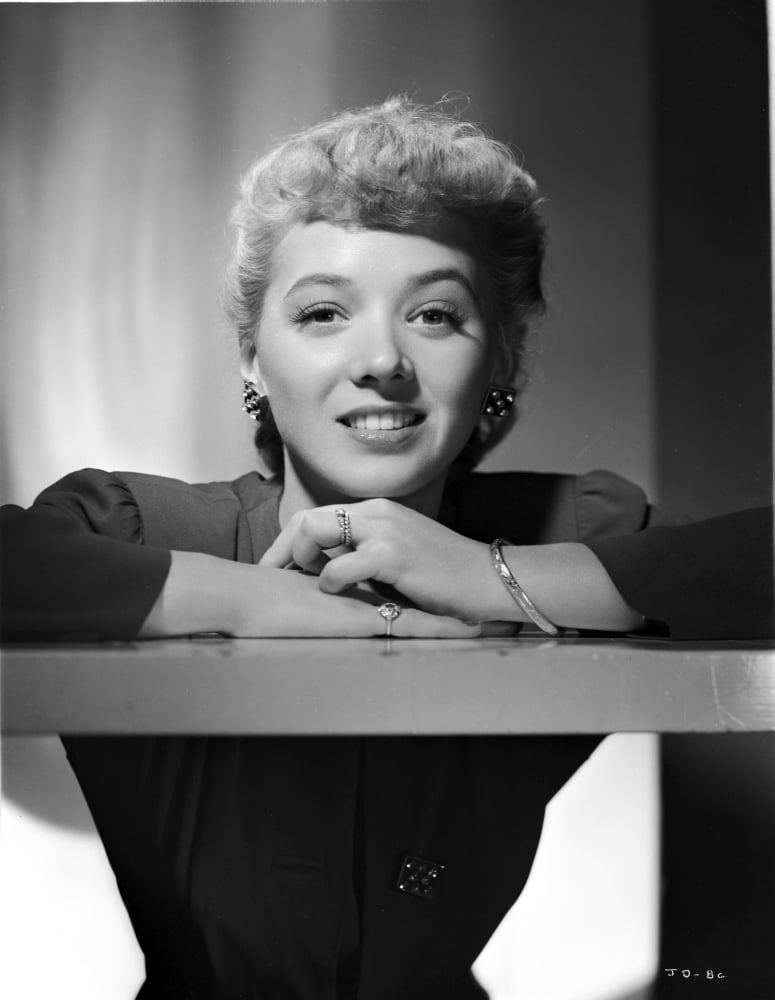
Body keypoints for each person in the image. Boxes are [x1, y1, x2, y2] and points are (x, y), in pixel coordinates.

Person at [1, 97, 772, 999]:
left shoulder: (570, 532)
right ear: (252, 357)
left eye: (436, 316)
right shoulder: (132, 528)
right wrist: (248, 599)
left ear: (501, 364)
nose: (383, 360)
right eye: (324, 312)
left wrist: (490, 576)